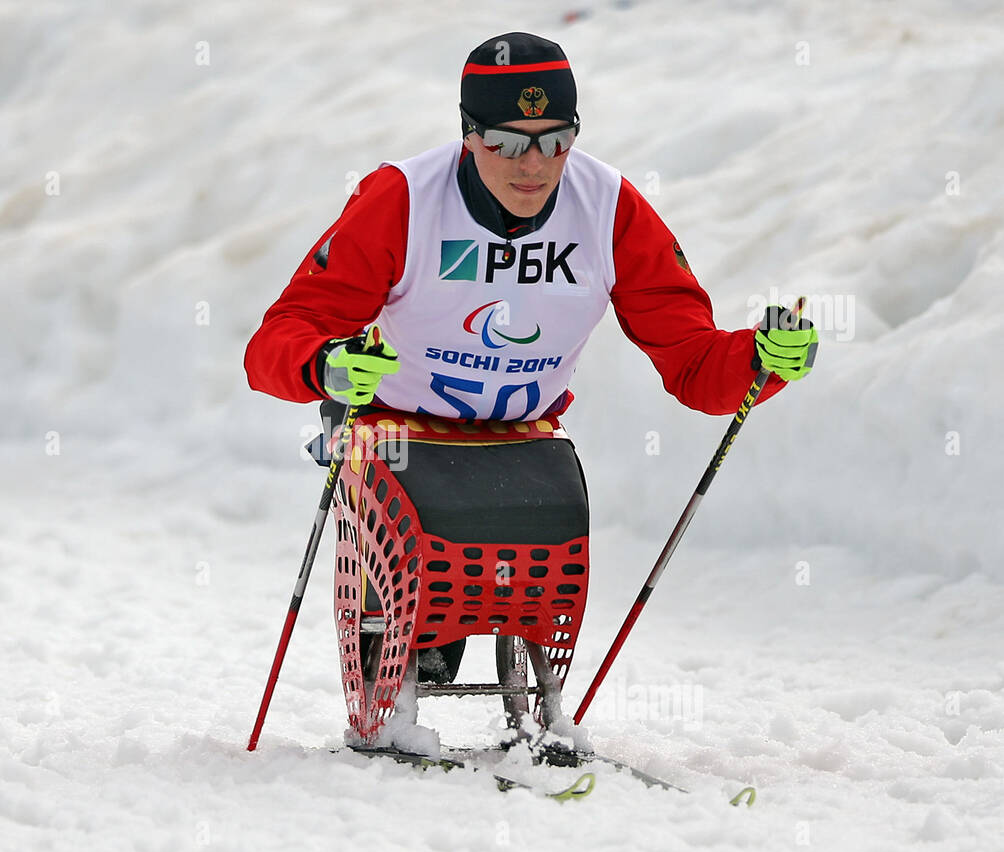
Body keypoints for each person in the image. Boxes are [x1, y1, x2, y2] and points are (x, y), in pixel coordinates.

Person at [243, 32, 816, 693]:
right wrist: (328, 365)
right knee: (419, 514)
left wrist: (760, 360)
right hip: (396, 425)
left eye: (555, 140)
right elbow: (278, 339)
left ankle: (526, 665)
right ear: (467, 133)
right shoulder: (403, 199)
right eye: (509, 142)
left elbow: (692, 360)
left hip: (521, 435)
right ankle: (402, 645)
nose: (535, 164)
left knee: (552, 505)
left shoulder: (609, 208)